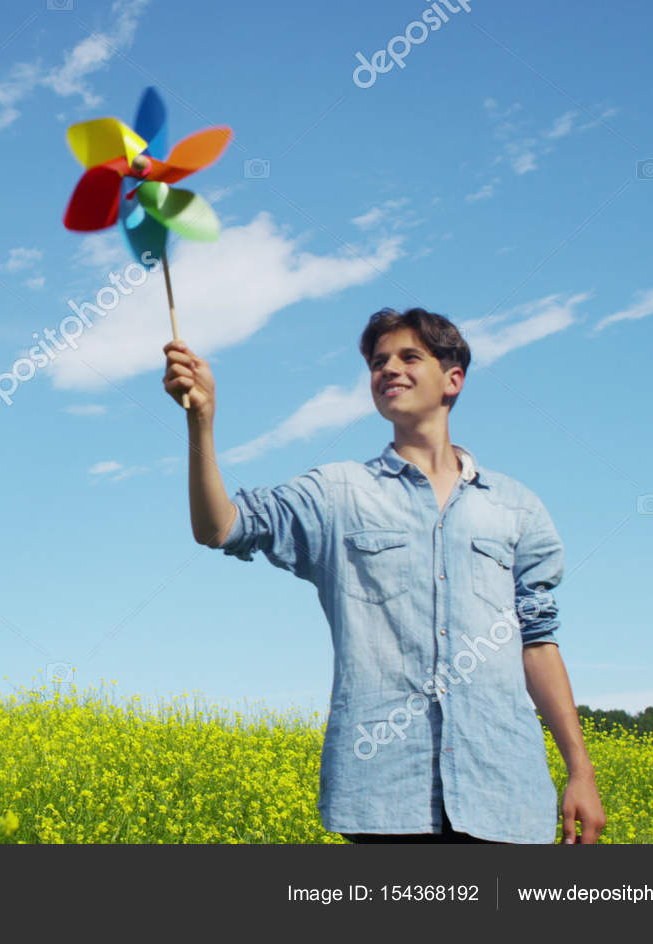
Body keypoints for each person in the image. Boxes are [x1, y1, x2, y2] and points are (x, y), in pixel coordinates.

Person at [164, 307, 606, 844]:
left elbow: (538, 643)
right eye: (378, 362)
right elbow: (221, 527)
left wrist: (580, 771)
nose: (388, 369)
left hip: (505, 794)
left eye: (408, 357)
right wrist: (201, 421)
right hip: (383, 797)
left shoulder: (516, 507)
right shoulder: (337, 493)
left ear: (453, 380)